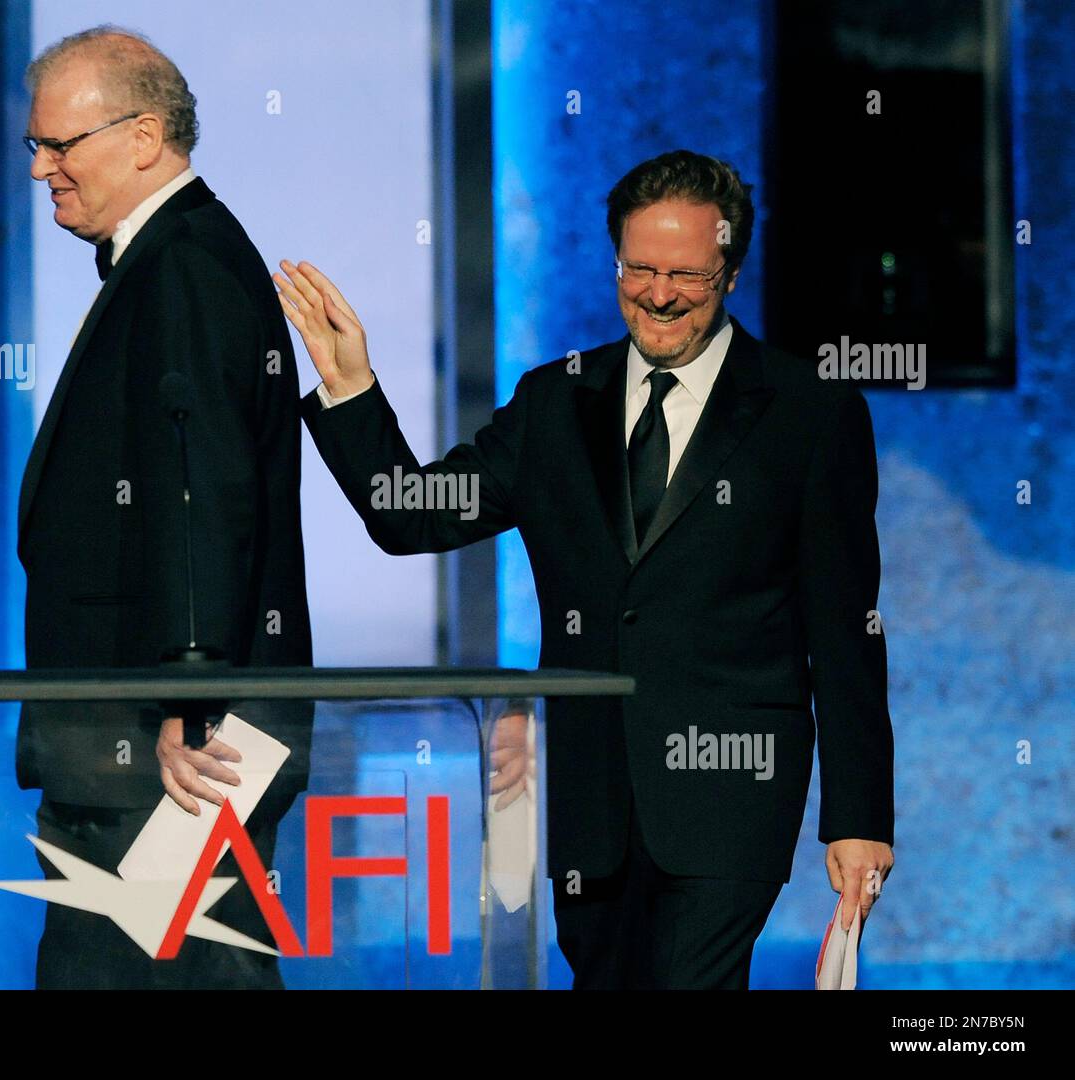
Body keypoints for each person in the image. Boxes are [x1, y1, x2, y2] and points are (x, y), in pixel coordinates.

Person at [275, 149, 894, 989]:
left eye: (687, 275)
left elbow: (846, 629)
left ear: (732, 273)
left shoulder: (809, 413)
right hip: (589, 795)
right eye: (639, 269)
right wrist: (351, 387)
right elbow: (410, 514)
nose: (660, 294)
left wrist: (856, 819)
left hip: (731, 792)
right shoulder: (554, 402)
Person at [16, 26, 312, 989]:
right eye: (35, 147)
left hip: (170, 754)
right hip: (144, 742)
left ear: (144, 138)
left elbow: (204, 488)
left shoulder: (182, 265)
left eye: (61, 146)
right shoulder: (177, 258)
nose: (42, 170)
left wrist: (191, 691)